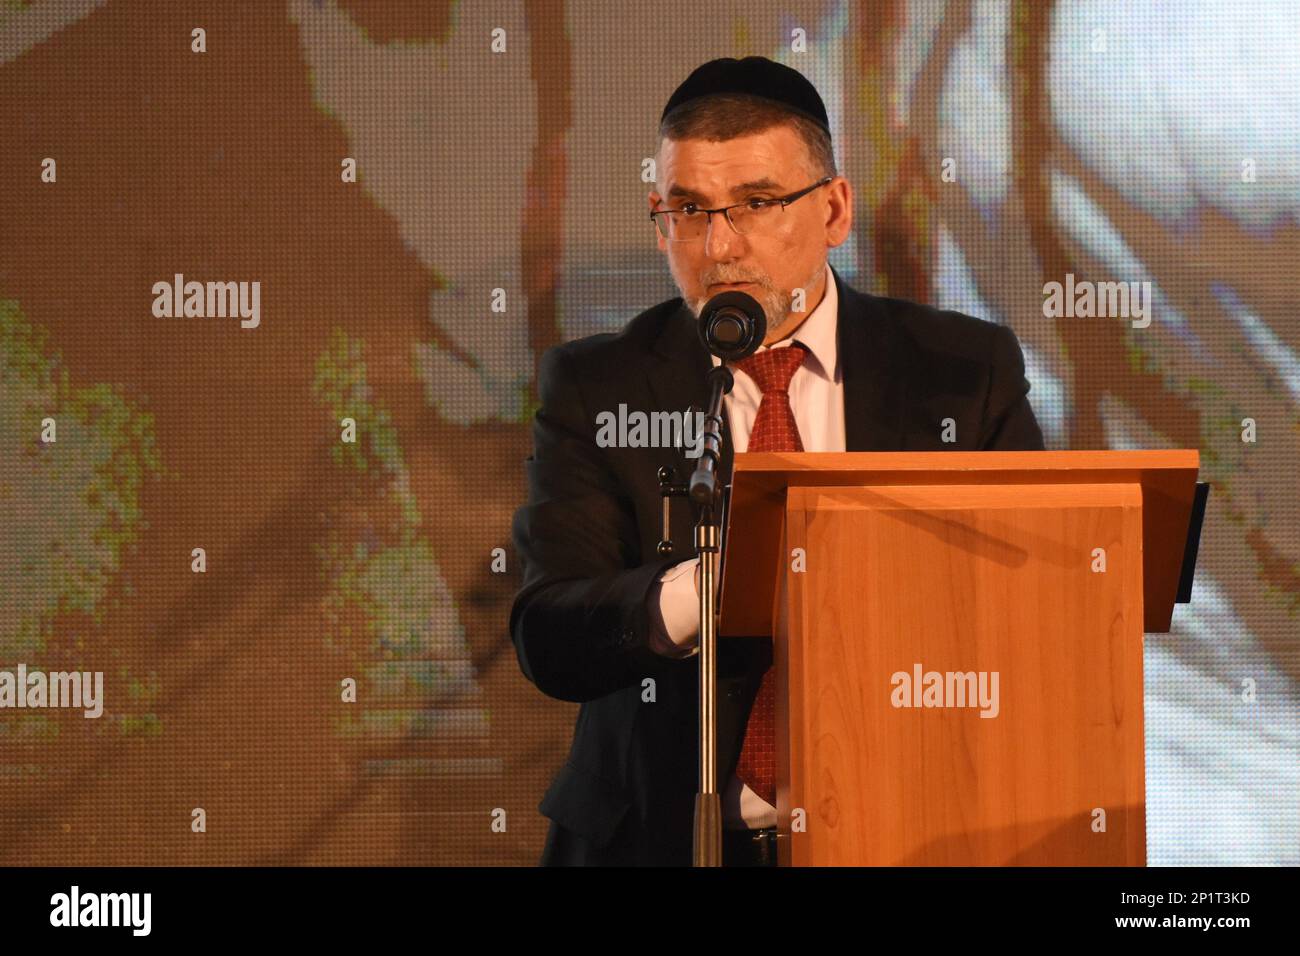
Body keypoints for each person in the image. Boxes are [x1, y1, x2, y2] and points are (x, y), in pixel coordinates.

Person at [509, 56, 1045, 866]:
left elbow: (1033, 605)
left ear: (834, 210)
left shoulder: (962, 370)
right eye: (686, 210)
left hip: (904, 833)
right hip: (654, 840)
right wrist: (704, 591)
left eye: (757, 203)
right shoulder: (599, 385)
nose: (719, 245)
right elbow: (551, 633)